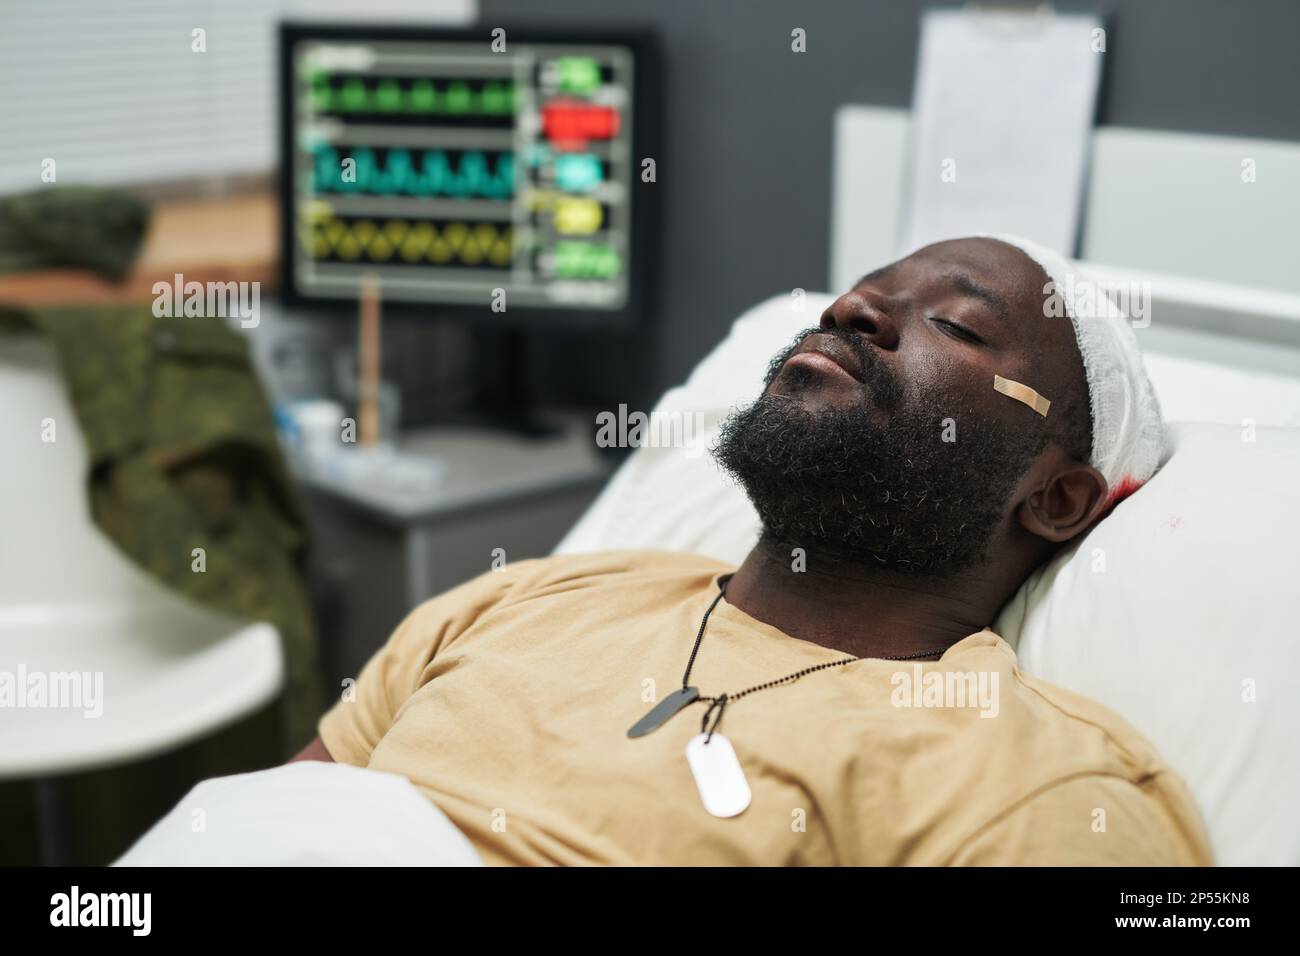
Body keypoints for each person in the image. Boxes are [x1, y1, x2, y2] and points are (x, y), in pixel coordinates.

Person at [291, 235, 1213, 866]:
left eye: (960, 325)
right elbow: (260, 832)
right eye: (865, 292)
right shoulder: (523, 601)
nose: (852, 310)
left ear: (1056, 500)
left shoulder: (1032, 783)